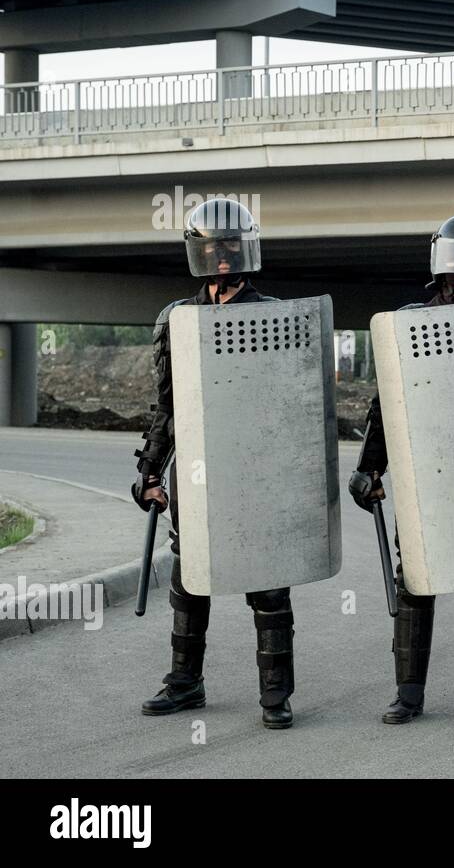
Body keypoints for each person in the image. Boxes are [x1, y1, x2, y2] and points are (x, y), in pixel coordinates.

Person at [133, 199, 295, 729]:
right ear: (198, 252)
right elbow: (168, 405)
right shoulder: (177, 320)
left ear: (245, 250)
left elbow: (292, 407)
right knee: (191, 575)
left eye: (231, 247)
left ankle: (276, 695)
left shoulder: (275, 315)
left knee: (267, 582)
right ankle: (185, 683)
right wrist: (151, 473)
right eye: (213, 248)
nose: (223, 259)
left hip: (258, 467)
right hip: (198, 470)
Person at [349, 215, 454, 727]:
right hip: (428, 475)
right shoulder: (411, 320)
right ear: (442, 263)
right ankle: (408, 694)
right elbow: (388, 406)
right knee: (415, 582)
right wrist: (369, 467)